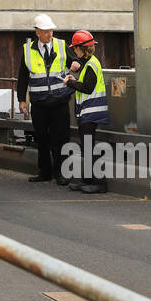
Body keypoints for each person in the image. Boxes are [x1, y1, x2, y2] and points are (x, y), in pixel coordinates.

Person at [18, 14, 72, 184]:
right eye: (46, 31)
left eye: (51, 31)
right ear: (38, 33)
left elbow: (75, 64)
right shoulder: (27, 50)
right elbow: (23, 77)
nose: (50, 34)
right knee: (41, 139)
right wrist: (21, 100)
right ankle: (44, 172)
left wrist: (75, 68)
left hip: (59, 102)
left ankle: (61, 174)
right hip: (39, 103)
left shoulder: (62, 46)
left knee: (61, 139)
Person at [62, 29, 109, 193]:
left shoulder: (91, 65)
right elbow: (85, 85)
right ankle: (87, 180)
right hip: (87, 112)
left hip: (91, 112)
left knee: (89, 147)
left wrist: (70, 83)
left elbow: (87, 88)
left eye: (75, 48)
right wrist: (75, 80)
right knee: (86, 147)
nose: (74, 51)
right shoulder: (89, 64)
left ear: (82, 48)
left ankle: (100, 183)